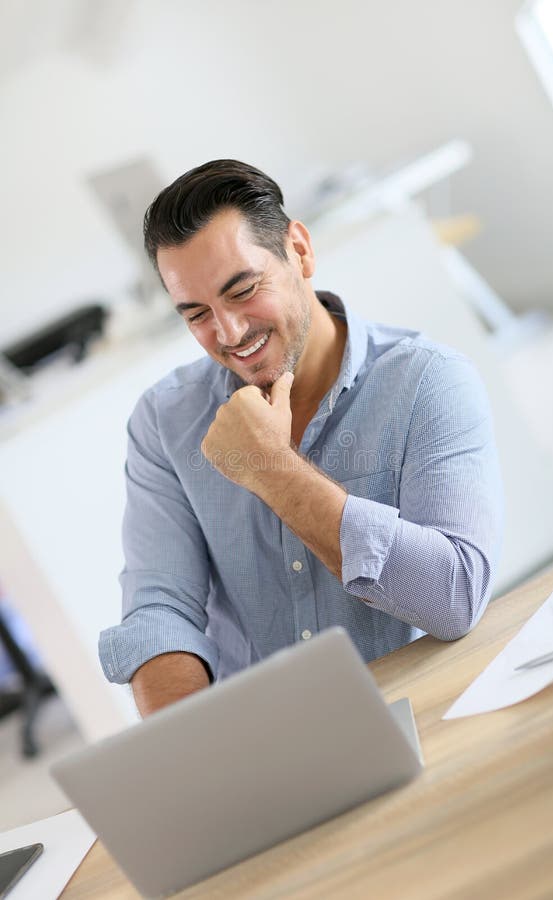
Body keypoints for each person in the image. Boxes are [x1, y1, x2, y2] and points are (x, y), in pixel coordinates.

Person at [99, 159, 503, 717]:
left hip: (423, 710)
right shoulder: (165, 420)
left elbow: (457, 596)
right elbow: (160, 610)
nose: (229, 333)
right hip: (269, 742)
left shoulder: (427, 382)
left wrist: (271, 469)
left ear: (300, 251)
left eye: (242, 290)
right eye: (197, 313)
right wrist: (192, 758)